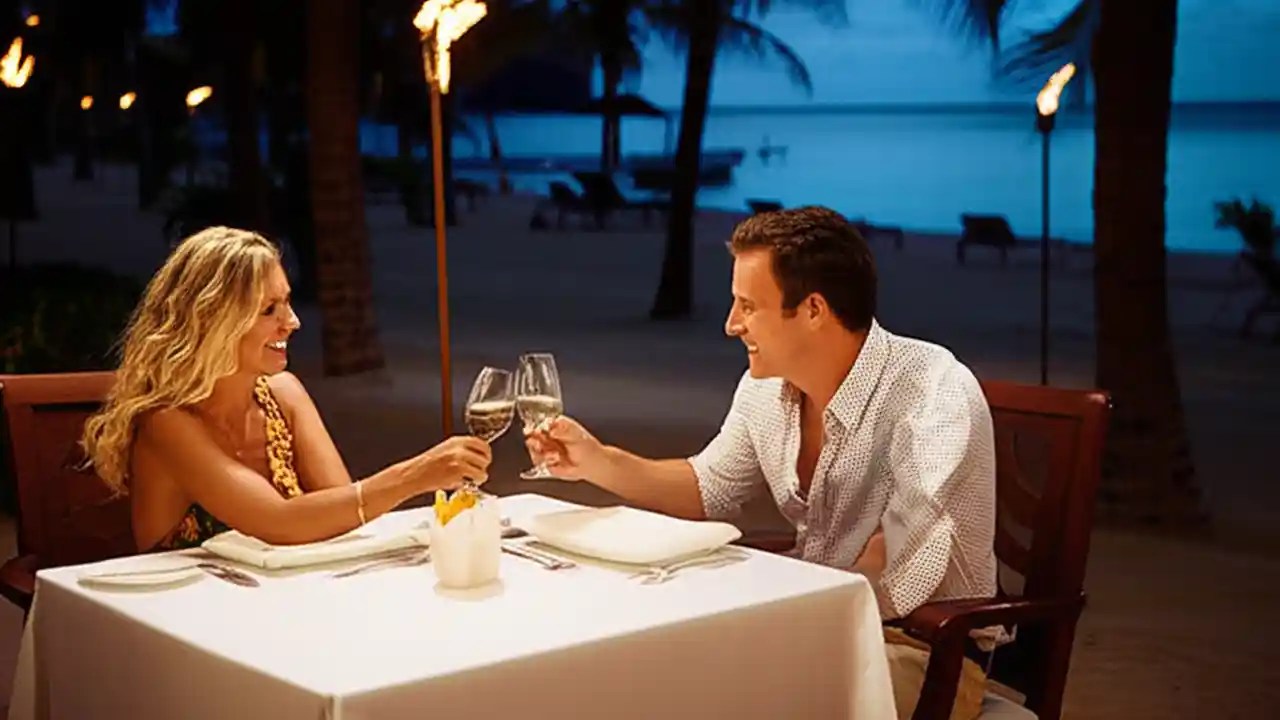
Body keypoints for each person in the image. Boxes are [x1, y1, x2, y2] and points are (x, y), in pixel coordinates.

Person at [526, 206, 999, 720]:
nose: (731, 325)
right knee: (637, 668)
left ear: (814, 309)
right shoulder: (764, 388)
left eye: (748, 306)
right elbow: (709, 489)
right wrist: (600, 462)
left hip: (923, 652)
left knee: (705, 693)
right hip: (812, 618)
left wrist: (753, 612)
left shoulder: (932, 392)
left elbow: (899, 571)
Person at [82, 227, 491, 552]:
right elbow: (279, 521)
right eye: (268, 310)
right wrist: (417, 474)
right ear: (212, 321)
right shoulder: (167, 423)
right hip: (184, 629)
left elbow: (345, 511)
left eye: (288, 303)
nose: (292, 322)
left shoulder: (284, 394)